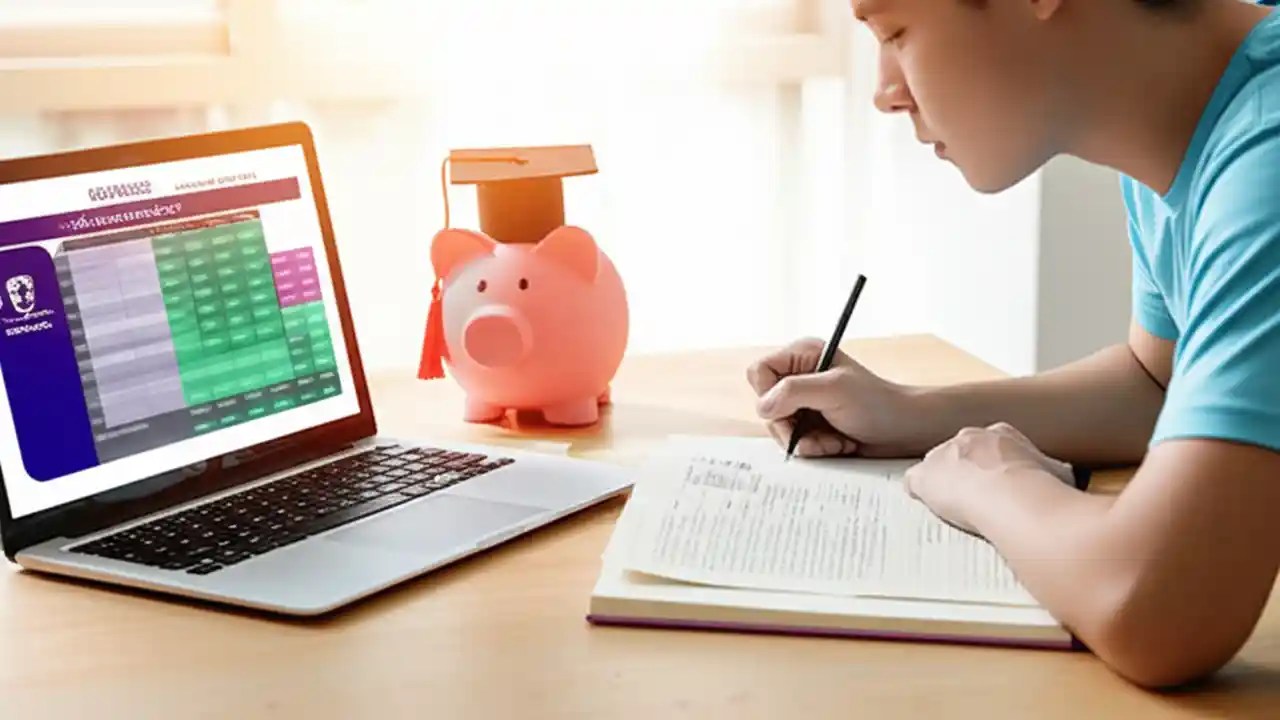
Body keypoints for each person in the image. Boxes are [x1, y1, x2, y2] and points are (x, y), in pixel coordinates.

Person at [748, 0, 1280, 690]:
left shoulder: (1266, 162)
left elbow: (1160, 609)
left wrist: (996, 485)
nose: (884, 91)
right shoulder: (1187, 113)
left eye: (893, 32)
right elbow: (1161, 383)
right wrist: (907, 412)